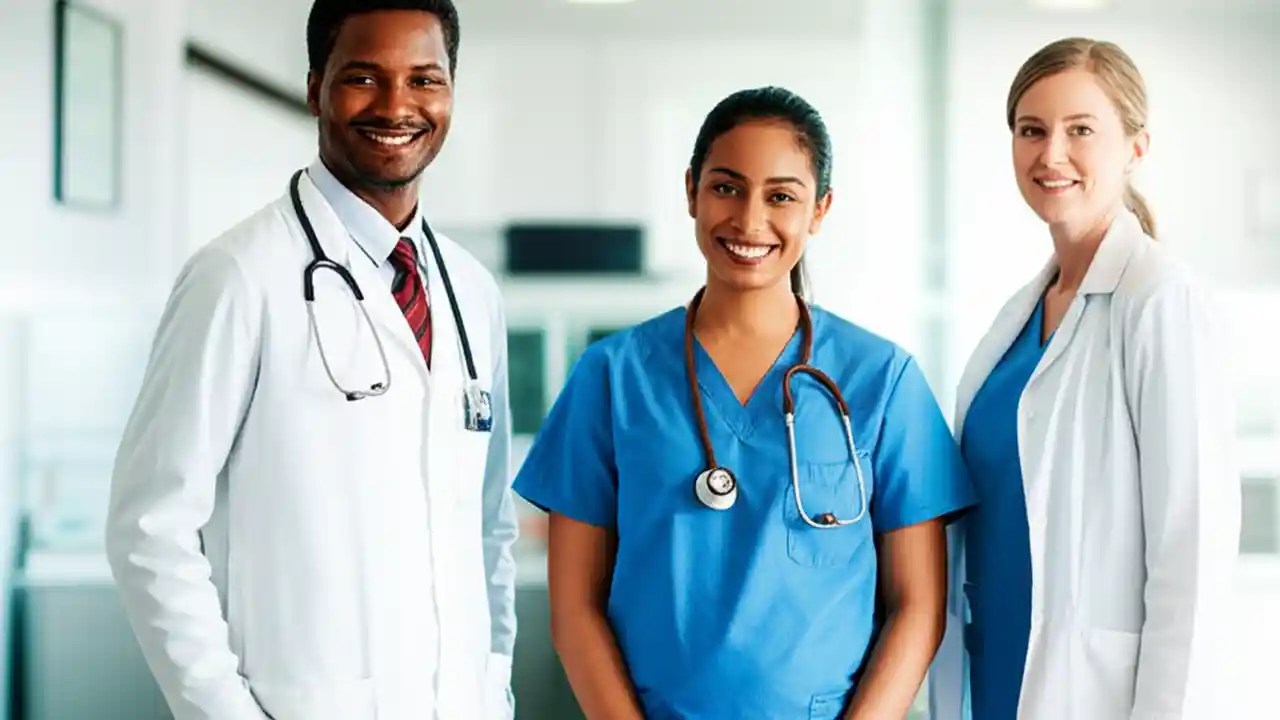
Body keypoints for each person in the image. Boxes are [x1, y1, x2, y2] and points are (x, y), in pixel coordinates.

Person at [105, 2, 518, 718]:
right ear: (313, 88)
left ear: (452, 91)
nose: (397, 105)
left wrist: (493, 682)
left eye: (425, 79)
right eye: (363, 77)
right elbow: (150, 530)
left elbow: (488, 526)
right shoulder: (237, 276)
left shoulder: (471, 292)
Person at [512, 86, 975, 720]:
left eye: (781, 195)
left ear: (820, 210)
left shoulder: (881, 379)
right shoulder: (613, 377)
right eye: (727, 187)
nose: (750, 220)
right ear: (691, 192)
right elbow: (574, 610)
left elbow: (918, 608)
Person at [928, 38, 1241, 720]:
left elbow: (1192, 553)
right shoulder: (1023, 313)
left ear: (1135, 146)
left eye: (1081, 131)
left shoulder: (1159, 300)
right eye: (1031, 130)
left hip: (1092, 694)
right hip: (998, 673)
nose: (1051, 154)